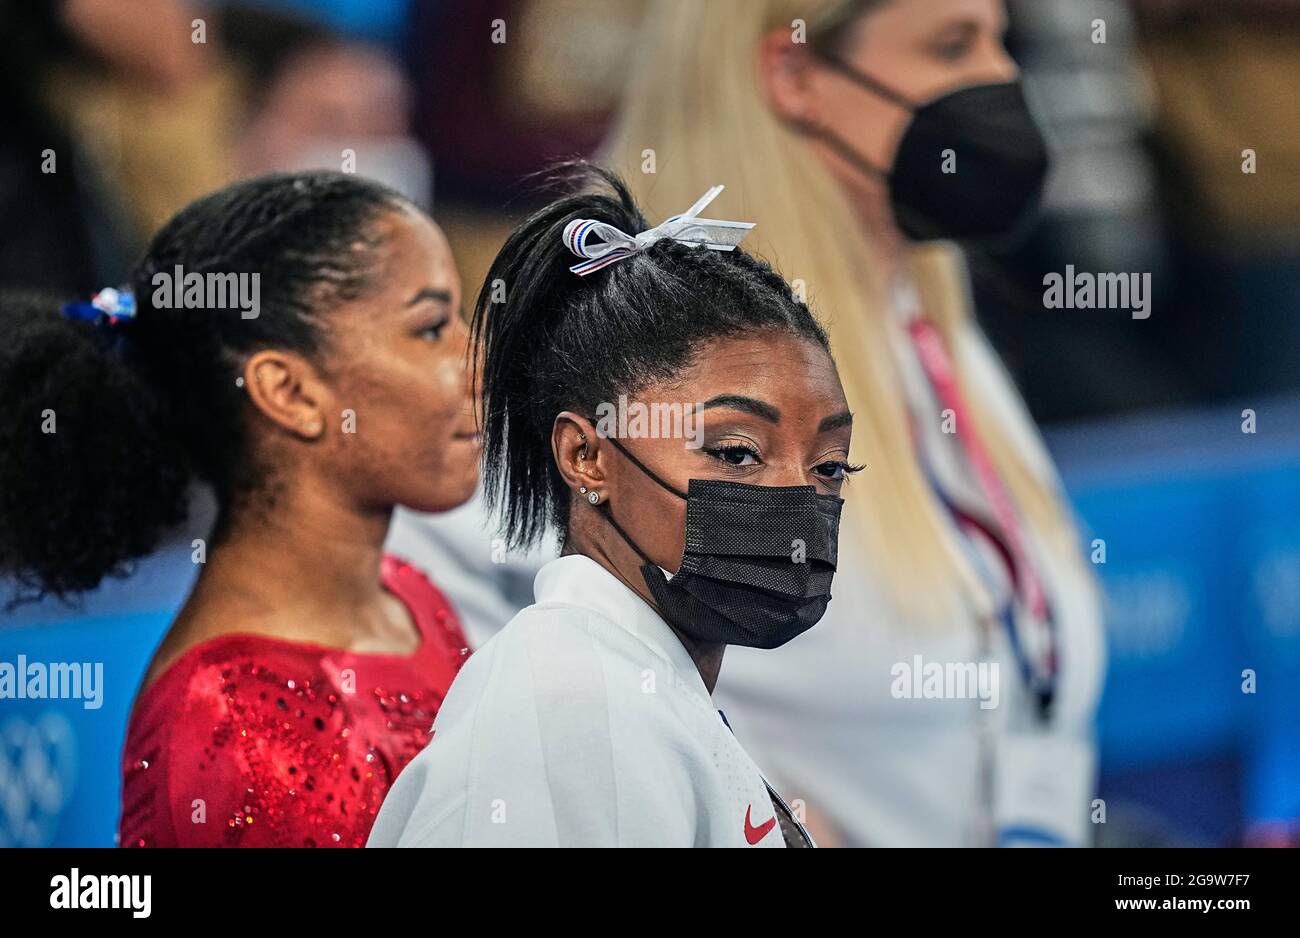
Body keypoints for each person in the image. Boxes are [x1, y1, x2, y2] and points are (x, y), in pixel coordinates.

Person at [601, 0, 1105, 846]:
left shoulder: (930, 328)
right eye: (952, 45)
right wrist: (740, 808)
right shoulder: (659, 375)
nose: (1004, 79)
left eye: (1001, 40)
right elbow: (565, 664)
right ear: (796, 77)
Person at [368, 167, 856, 847]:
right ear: (586, 458)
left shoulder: (644, 693)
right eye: (736, 452)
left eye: (830, 466)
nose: (799, 500)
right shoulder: (573, 712)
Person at [0, 172, 479, 847]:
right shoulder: (229, 721)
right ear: (290, 392)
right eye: (432, 328)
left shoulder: (413, 596)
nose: (479, 358)